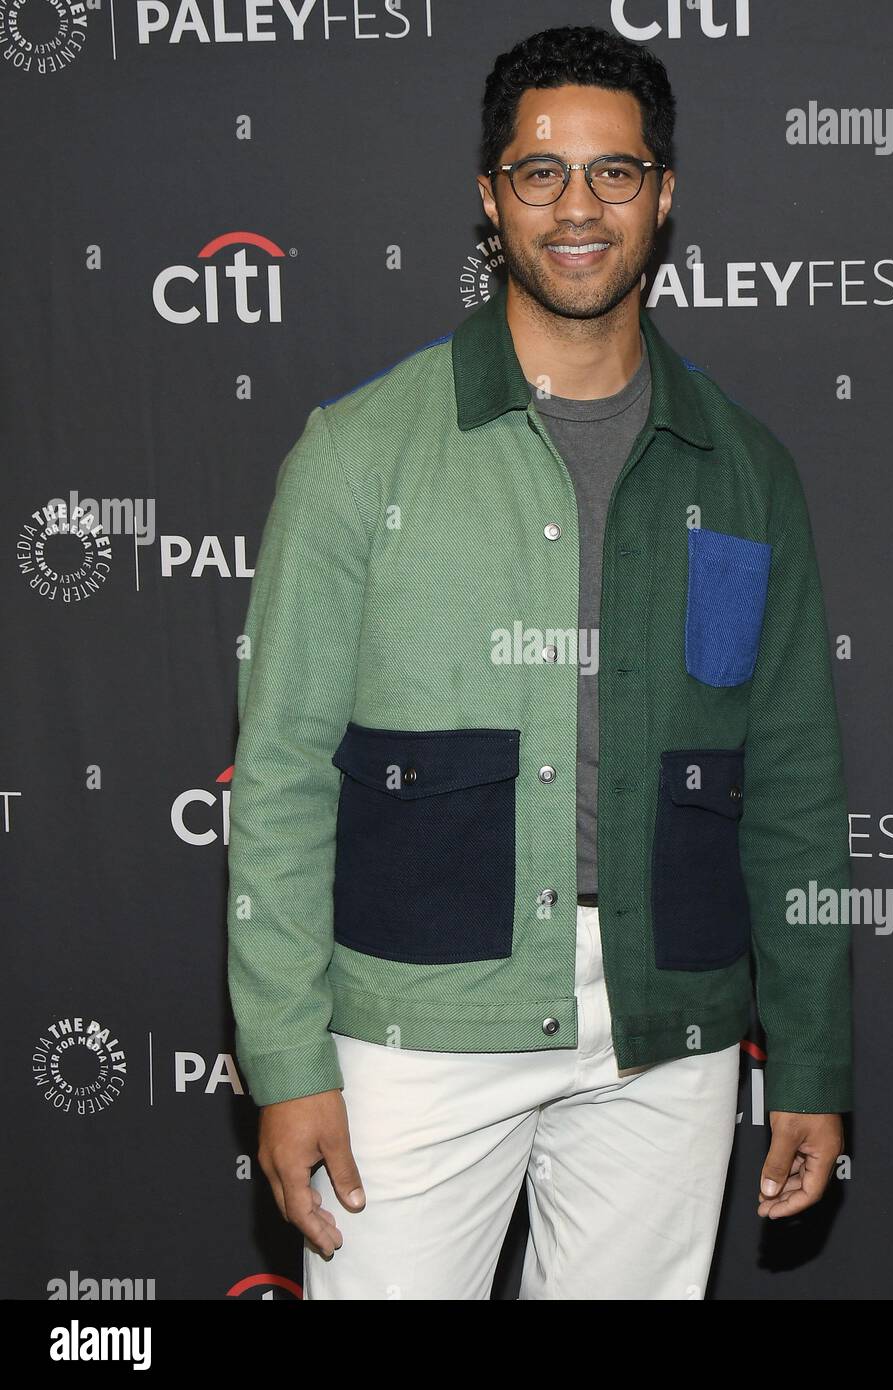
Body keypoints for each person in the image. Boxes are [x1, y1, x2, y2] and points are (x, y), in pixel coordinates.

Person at [226, 24, 853, 1300]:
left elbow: (789, 785)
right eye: (539, 173)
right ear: (488, 197)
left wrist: (812, 1056)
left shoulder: (744, 469)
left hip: (666, 1032)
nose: (577, 208)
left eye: (614, 173)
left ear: (663, 195)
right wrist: (285, 1060)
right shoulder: (358, 454)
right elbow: (281, 773)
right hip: (413, 1024)